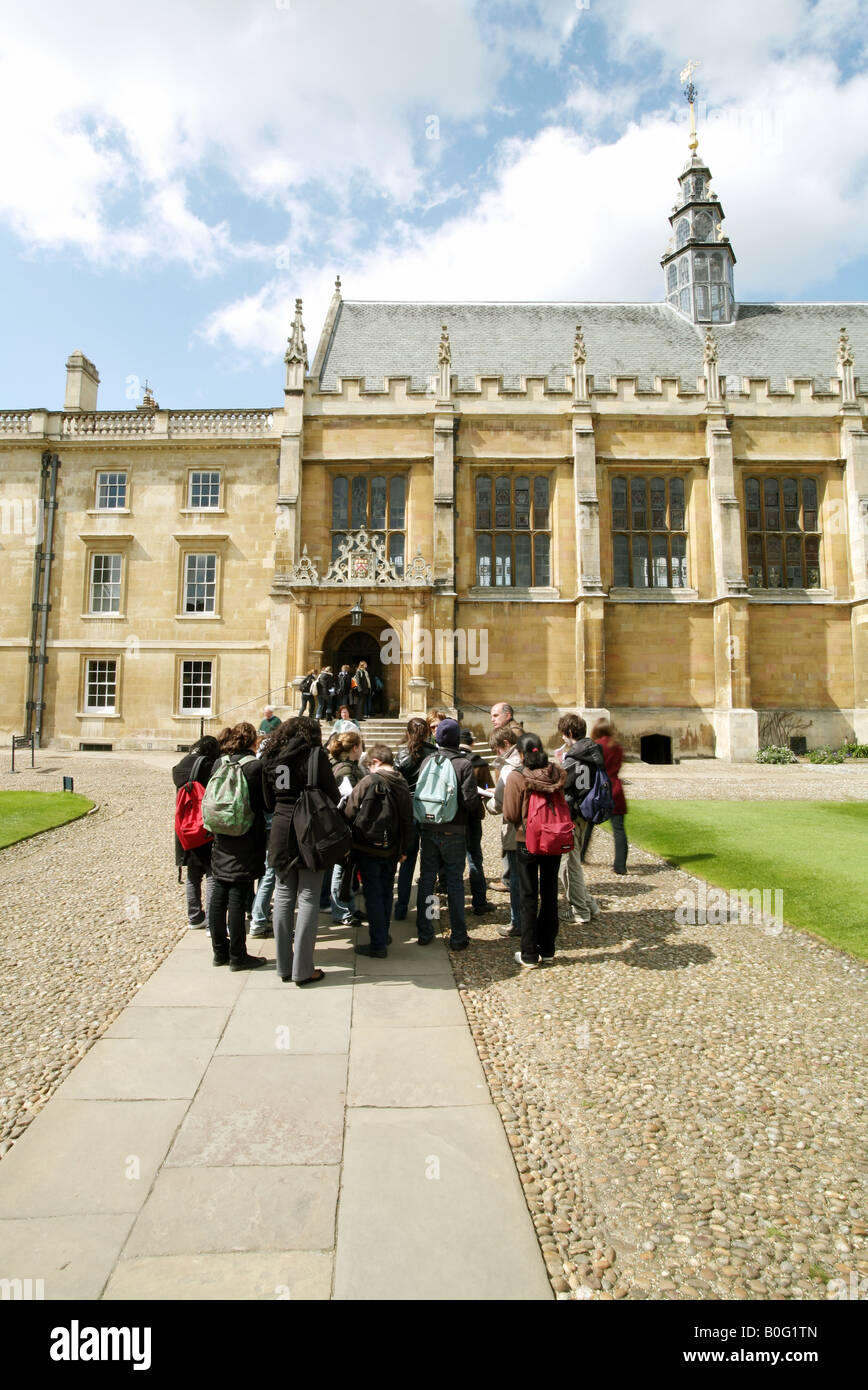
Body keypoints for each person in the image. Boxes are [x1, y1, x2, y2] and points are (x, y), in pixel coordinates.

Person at [262, 716, 340, 985]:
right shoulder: (315, 755)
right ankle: (303, 969)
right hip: (308, 826)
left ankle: (283, 967)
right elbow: (334, 794)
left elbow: (265, 797)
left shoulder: (273, 754)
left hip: (281, 826)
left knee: (283, 896)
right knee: (308, 896)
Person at [502, 731, 567, 968]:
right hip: (553, 840)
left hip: (526, 841)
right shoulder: (557, 773)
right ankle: (548, 949)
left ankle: (529, 954)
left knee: (528, 896)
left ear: (520, 753)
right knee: (550, 894)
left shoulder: (517, 777)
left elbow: (509, 814)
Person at [207, 723, 269, 972]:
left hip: (220, 832)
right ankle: (238, 955)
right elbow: (265, 803)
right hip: (245, 833)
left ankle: (219, 951)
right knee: (238, 893)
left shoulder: (219, 763)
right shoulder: (255, 766)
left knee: (219, 890)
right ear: (253, 741)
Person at [414, 718, 480, 951]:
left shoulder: (428, 761)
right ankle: (458, 935)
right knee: (454, 883)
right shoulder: (463, 764)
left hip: (429, 828)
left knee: (428, 880)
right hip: (454, 830)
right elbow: (470, 801)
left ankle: (426, 928)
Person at [343, 745, 413, 958]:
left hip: (368, 847)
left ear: (375, 762)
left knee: (372, 894)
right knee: (385, 892)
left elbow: (349, 810)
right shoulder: (401, 782)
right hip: (392, 848)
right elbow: (407, 820)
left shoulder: (369, 781)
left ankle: (378, 944)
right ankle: (384, 934)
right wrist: (404, 849)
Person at [555, 714, 604, 924]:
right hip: (586, 812)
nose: (563, 739)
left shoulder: (574, 757)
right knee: (570, 864)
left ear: (569, 733)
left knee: (569, 865)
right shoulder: (591, 752)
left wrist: (559, 765)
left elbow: (559, 783)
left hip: (573, 814)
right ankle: (589, 904)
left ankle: (580, 910)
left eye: (563, 735)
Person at [172, 735, 219, 929]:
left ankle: (194, 917)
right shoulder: (206, 765)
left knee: (193, 873)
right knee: (211, 872)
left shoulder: (180, 765)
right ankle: (211, 922)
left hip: (184, 824)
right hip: (202, 823)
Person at [393, 717, 437, 919]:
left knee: (407, 863)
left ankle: (401, 909)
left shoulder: (401, 754)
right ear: (428, 733)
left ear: (408, 733)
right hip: (429, 811)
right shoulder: (435, 754)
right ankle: (429, 913)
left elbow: (396, 788)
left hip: (409, 812)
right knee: (430, 866)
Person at [487, 725, 523, 939]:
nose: (497, 754)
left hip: (515, 830)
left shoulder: (509, 768)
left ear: (506, 745)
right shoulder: (529, 759)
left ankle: (517, 922)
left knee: (517, 879)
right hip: (534, 828)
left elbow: (498, 804)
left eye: (497, 750)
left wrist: (487, 801)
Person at [327, 729, 365, 925]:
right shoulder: (345, 770)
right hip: (343, 825)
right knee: (339, 870)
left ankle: (349, 907)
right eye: (361, 746)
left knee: (347, 869)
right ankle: (340, 911)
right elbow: (349, 799)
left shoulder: (350, 766)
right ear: (355, 748)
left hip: (348, 824)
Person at [459, 728, 495, 915]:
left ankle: (455, 903)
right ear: (472, 743)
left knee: (454, 862)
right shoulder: (479, 763)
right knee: (474, 858)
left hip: (453, 817)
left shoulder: (450, 760)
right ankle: (479, 902)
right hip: (472, 815)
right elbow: (489, 788)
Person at [591, 718, 628, 874]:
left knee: (587, 823)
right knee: (618, 829)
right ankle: (620, 866)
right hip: (616, 788)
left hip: (600, 787)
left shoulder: (597, 746)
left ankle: (579, 856)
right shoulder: (617, 747)